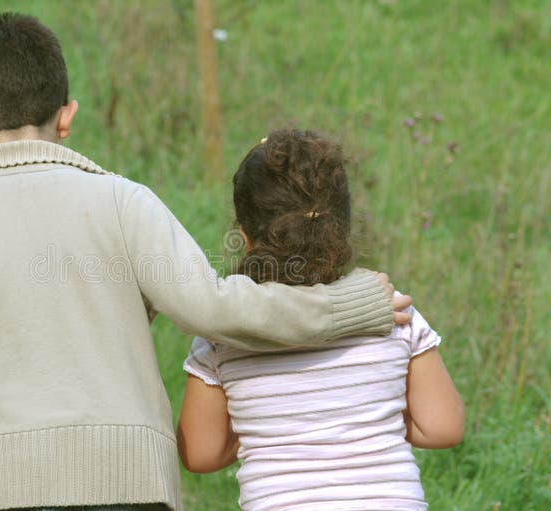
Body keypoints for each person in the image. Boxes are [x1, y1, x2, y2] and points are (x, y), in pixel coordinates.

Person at [0, 13, 413, 511]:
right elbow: (214, 310)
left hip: (1, 490)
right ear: (67, 117)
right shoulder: (124, 203)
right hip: (132, 485)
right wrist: (346, 305)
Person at [177, 129, 465, 510]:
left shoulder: (225, 334)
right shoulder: (391, 311)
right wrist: (379, 421)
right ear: (342, 227)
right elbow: (444, 427)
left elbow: (200, 453)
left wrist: (263, 434)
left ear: (245, 237)